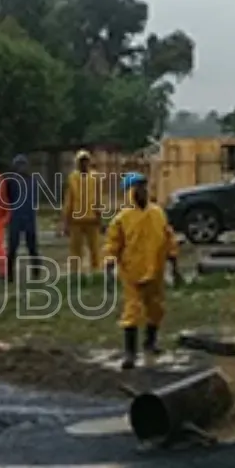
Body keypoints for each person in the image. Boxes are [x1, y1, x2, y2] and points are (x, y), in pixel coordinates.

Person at [104, 172, 180, 370]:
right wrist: (110, 261)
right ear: (129, 192)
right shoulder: (122, 219)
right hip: (132, 272)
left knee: (156, 308)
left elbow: (168, 236)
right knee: (133, 310)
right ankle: (130, 352)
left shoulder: (157, 213)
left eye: (144, 187)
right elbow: (113, 243)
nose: (142, 191)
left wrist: (173, 259)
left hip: (155, 270)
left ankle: (150, 342)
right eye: (137, 187)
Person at [60, 148, 105, 275]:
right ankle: (75, 274)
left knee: (95, 248)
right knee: (75, 249)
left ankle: (96, 272)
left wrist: (100, 217)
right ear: (77, 163)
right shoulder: (72, 178)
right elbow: (69, 200)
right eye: (81, 161)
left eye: (86, 161)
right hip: (76, 219)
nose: (84, 164)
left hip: (92, 218)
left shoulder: (95, 177)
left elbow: (98, 199)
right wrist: (66, 221)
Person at [4, 154, 40, 274]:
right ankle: (9, 273)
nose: (21, 168)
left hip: (29, 216)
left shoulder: (33, 181)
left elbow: (35, 198)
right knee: (13, 246)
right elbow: (6, 198)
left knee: (32, 246)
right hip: (15, 216)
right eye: (19, 165)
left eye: (23, 165)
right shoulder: (10, 181)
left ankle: (36, 271)